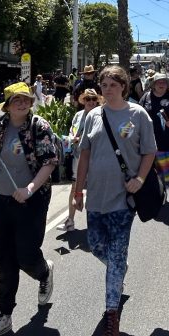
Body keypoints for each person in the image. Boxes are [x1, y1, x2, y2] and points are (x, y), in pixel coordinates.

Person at [74, 65, 156, 336]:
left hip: (124, 199)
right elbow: (84, 154)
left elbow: (149, 151)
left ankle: (111, 316)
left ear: (123, 86)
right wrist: (77, 190)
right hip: (96, 197)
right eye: (103, 85)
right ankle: (118, 269)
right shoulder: (93, 116)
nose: (107, 89)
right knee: (96, 246)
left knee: (116, 252)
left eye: (112, 84)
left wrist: (140, 179)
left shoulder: (138, 115)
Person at [0, 82, 59, 336]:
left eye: (26, 99)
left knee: (26, 255)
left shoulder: (39, 127)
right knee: (4, 261)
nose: (22, 103)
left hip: (29, 202)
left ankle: (43, 272)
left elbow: (49, 162)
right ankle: (4, 314)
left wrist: (30, 189)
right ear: (7, 105)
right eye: (16, 100)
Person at [58, 88, 101, 231]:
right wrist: (72, 138)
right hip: (78, 156)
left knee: (95, 189)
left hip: (95, 158)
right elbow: (72, 131)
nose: (91, 102)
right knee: (75, 188)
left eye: (93, 99)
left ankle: (96, 223)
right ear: (83, 101)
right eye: (88, 99)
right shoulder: (78, 115)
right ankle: (70, 220)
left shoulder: (101, 115)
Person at [140, 71, 169, 201]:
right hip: (152, 139)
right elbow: (138, 113)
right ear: (153, 84)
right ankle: (162, 193)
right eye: (159, 82)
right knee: (157, 169)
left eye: (164, 82)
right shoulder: (146, 98)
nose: (161, 84)